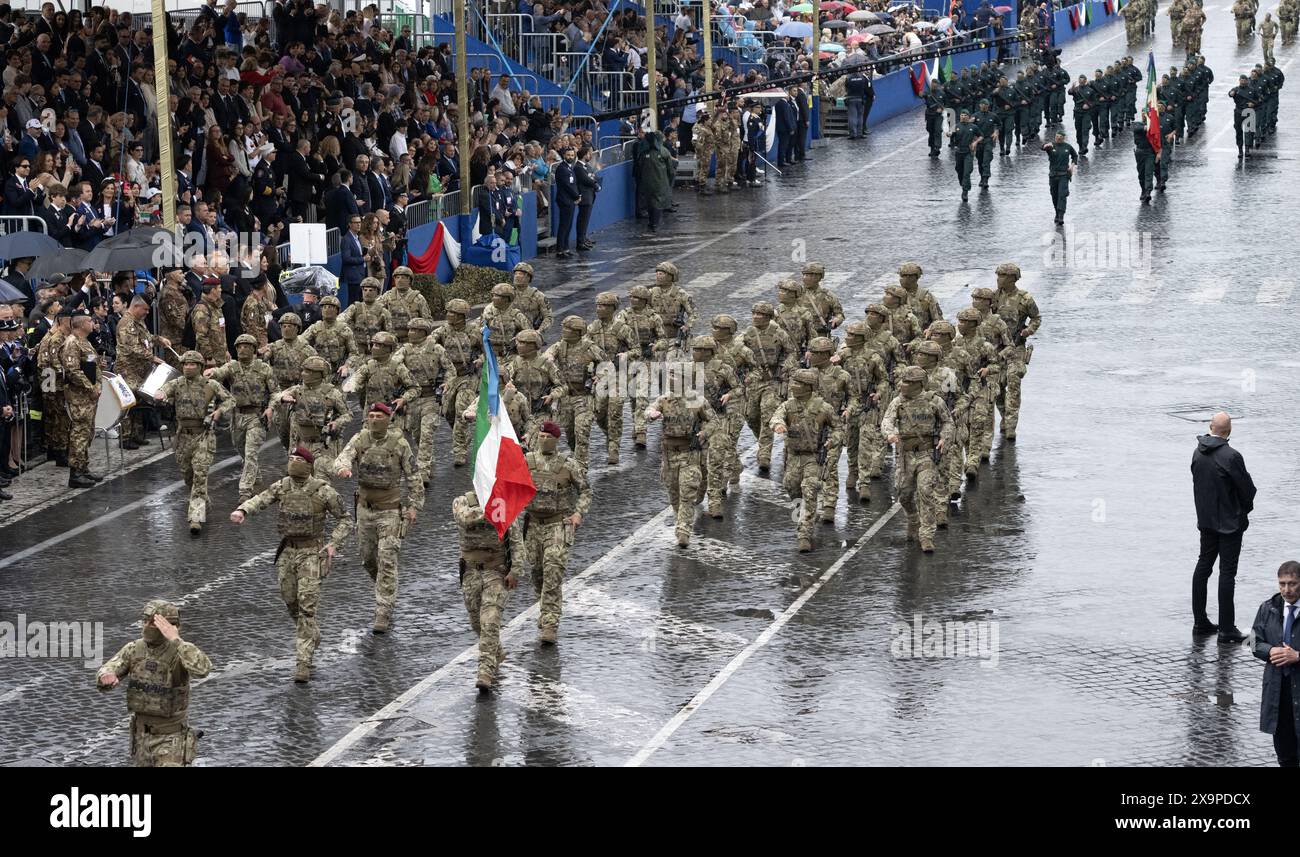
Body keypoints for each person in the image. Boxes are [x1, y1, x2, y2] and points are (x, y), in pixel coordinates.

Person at [231, 447, 351, 682]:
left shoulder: (323, 491)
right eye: (291, 459)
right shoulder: (282, 486)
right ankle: (312, 634)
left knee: (307, 607)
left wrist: (334, 543)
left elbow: (346, 519)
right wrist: (243, 509)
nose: (294, 462)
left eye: (299, 460)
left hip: (311, 554)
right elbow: (262, 499)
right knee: (290, 601)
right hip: (287, 552)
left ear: (308, 465)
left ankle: (303, 663)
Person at [335, 401, 424, 634]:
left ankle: (383, 610)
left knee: (386, 560)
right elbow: (343, 457)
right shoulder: (360, 439)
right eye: (371, 415)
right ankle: (386, 586)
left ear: (387, 419)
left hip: (390, 512)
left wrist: (414, 507)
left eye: (378, 416)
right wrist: (344, 468)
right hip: (364, 510)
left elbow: (414, 477)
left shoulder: (399, 444)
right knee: (367, 559)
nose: (374, 419)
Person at [96, 600, 212, 767]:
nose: (146, 626)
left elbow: (203, 669)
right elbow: (109, 668)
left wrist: (176, 639)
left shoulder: (179, 651)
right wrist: (106, 676)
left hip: (171, 740)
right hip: (141, 739)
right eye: (144, 621)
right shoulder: (135, 649)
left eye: (152, 623)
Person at [523, 420, 592, 645]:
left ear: (555, 439)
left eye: (547, 437)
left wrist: (578, 514)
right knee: (538, 574)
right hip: (532, 526)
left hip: (558, 526)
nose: (543, 440)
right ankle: (544, 610)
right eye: (540, 436)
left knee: (553, 573)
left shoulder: (568, 465)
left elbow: (585, 490)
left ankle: (550, 623)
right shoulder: (527, 462)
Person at [1191, 411, 1257, 643]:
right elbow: (1247, 490)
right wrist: (1243, 511)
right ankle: (1227, 628)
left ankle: (1200, 622)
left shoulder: (1197, 453)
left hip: (1206, 522)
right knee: (1227, 573)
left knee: (1203, 567)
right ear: (1229, 431)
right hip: (1229, 525)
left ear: (1210, 427)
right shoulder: (1232, 456)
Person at [154, 351, 235, 535]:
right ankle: (203, 500)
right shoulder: (177, 384)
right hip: (183, 436)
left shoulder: (210, 385)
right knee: (188, 476)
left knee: (200, 474)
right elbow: (164, 390)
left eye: (192, 364)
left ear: (199, 367)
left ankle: (196, 517)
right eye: (185, 364)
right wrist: (160, 394)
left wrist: (219, 412)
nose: (188, 367)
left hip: (203, 435)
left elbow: (230, 400)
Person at [453, 488, 523, 692]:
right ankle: (496, 651)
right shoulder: (461, 501)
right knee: (476, 622)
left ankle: (485, 670)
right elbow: (465, 519)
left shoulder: (506, 504)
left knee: (490, 619)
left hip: (496, 571)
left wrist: (516, 570)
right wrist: (491, 509)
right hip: (471, 573)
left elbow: (517, 541)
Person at [881, 365, 952, 553]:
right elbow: (887, 420)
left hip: (926, 453)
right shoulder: (898, 402)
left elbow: (947, 422)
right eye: (903, 381)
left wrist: (945, 438)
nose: (904, 385)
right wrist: (890, 434)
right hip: (905, 455)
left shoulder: (934, 401)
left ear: (920, 384)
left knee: (925, 491)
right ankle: (913, 518)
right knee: (903, 493)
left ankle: (927, 535)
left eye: (909, 382)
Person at [645, 365, 718, 548]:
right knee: (674, 493)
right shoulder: (664, 399)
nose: (671, 379)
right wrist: (651, 414)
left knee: (687, 492)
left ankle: (684, 529)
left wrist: (703, 434)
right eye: (670, 375)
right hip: (669, 455)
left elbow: (713, 421)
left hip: (689, 453)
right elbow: (648, 410)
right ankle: (681, 520)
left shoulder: (697, 400)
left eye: (675, 376)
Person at [206, 334, 278, 502]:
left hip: (256, 416)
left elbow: (275, 392)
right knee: (241, 448)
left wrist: (270, 409)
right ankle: (256, 477)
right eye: (239, 346)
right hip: (237, 415)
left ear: (253, 349)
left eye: (246, 346)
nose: (242, 349)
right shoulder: (232, 367)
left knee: (251, 452)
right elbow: (218, 374)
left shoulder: (264, 368)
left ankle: (245, 490)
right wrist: (211, 372)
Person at [1252, 561, 1300, 766]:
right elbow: (1253, 641)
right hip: (1278, 691)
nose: (1286, 590)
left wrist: (1298, 656)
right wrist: (1270, 650)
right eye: (1282, 584)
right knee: (1285, 753)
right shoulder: (1268, 608)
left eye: (1292, 584)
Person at [60, 314, 100, 488]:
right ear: (82, 324)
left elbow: (90, 364)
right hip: (79, 395)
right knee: (79, 432)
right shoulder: (72, 343)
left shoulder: (85, 341)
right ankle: (75, 472)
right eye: (90, 321)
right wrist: (90, 387)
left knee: (87, 431)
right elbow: (73, 371)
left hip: (89, 395)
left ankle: (83, 467)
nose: (93, 323)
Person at [1042, 131, 1077, 226]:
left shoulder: (1067, 147)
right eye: (1057, 136)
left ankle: (1061, 215)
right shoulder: (1051, 146)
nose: (1058, 138)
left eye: (1060, 137)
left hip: (1064, 175)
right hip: (1053, 175)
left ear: (1063, 138)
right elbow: (1043, 147)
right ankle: (1057, 213)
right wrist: (1045, 145)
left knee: (1062, 195)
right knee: (1054, 195)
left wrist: (1072, 166)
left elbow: (1075, 156)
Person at [553, 145, 578, 258]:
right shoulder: (562, 168)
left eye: (572, 155)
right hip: (565, 200)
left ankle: (566, 248)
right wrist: (577, 196)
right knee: (564, 225)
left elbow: (573, 184)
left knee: (568, 225)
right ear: (564, 155)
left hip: (570, 200)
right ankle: (560, 250)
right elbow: (567, 186)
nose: (570, 157)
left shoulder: (569, 167)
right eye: (568, 155)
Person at [574, 146, 600, 252]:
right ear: (585, 155)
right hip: (584, 196)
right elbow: (587, 179)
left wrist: (593, 180)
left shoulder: (586, 166)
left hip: (589, 195)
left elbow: (592, 176)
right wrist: (596, 184)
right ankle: (580, 242)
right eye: (589, 153)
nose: (590, 155)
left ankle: (584, 238)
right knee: (582, 220)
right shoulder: (578, 167)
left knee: (585, 219)